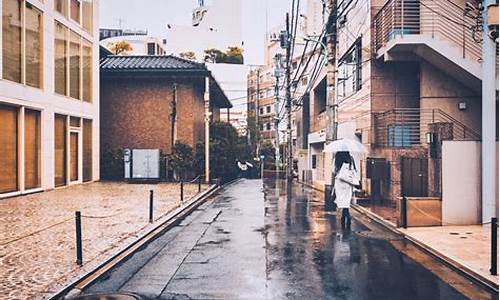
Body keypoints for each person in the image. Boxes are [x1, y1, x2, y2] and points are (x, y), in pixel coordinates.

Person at [333, 151, 360, 228]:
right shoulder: (350, 159)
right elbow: (354, 170)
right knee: (346, 201)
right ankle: (346, 217)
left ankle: (344, 217)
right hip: (348, 184)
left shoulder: (336, 158)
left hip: (339, 183)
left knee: (342, 201)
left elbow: (333, 171)